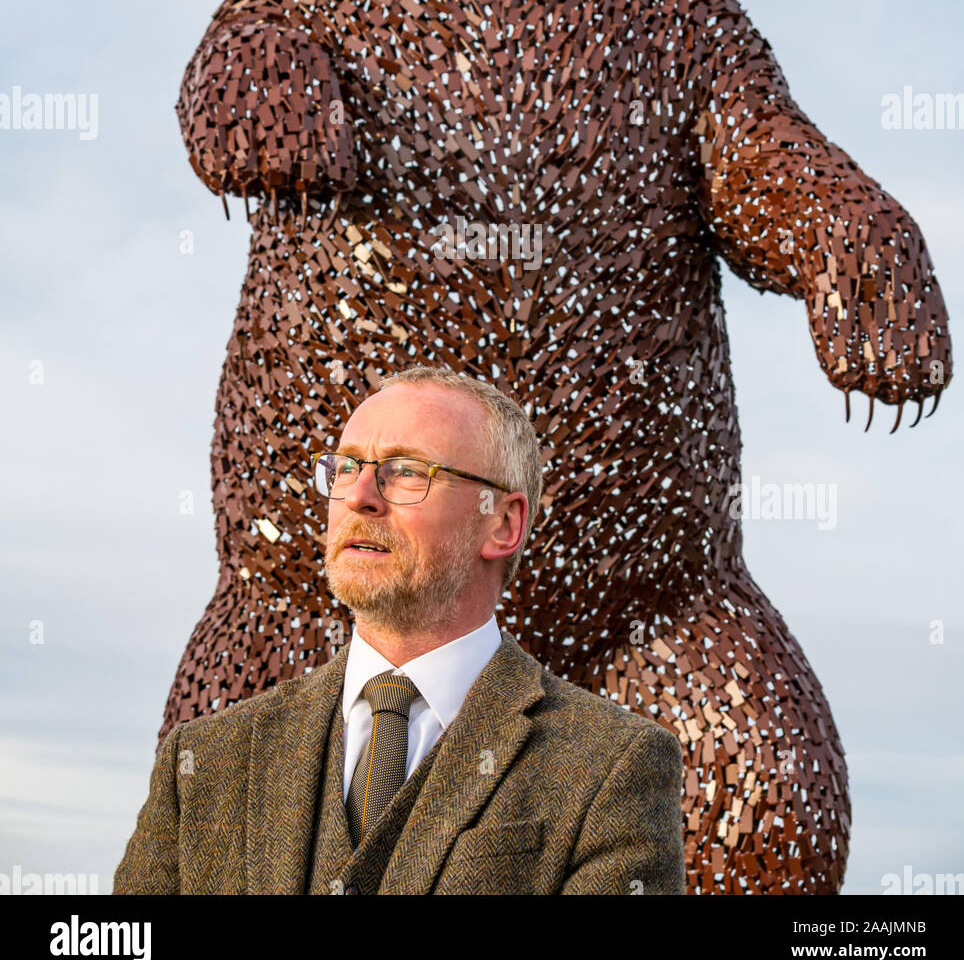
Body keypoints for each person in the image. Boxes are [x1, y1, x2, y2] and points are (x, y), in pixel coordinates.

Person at [113, 366, 685, 895]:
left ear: (504, 523)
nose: (359, 498)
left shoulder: (614, 765)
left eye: (406, 472)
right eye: (345, 469)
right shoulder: (205, 760)